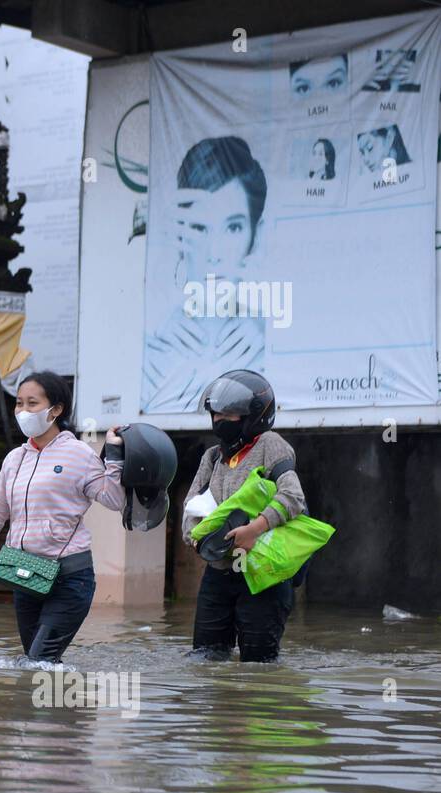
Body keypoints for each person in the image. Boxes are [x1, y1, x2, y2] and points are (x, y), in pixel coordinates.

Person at [0, 372, 125, 664]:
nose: (23, 411)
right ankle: (64, 708)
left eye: (32, 403)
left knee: (40, 661)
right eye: (19, 403)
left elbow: (114, 500)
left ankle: (61, 707)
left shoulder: (78, 454)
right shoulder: (14, 459)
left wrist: (114, 458)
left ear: (56, 409)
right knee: (35, 663)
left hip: (70, 580)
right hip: (27, 575)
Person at [183, 369, 307, 663]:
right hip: (219, 574)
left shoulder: (270, 444)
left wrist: (256, 528)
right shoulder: (213, 456)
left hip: (263, 576)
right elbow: (191, 504)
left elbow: (293, 496)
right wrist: (196, 539)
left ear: (254, 416)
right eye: (216, 414)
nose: (218, 421)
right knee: (205, 659)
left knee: (258, 666)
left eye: (229, 415)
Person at [143, 136, 268, 413]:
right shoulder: (152, 351)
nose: (214, 252)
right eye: (200, 228)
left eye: (233, 228)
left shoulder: (266, 345)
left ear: (255, 235)